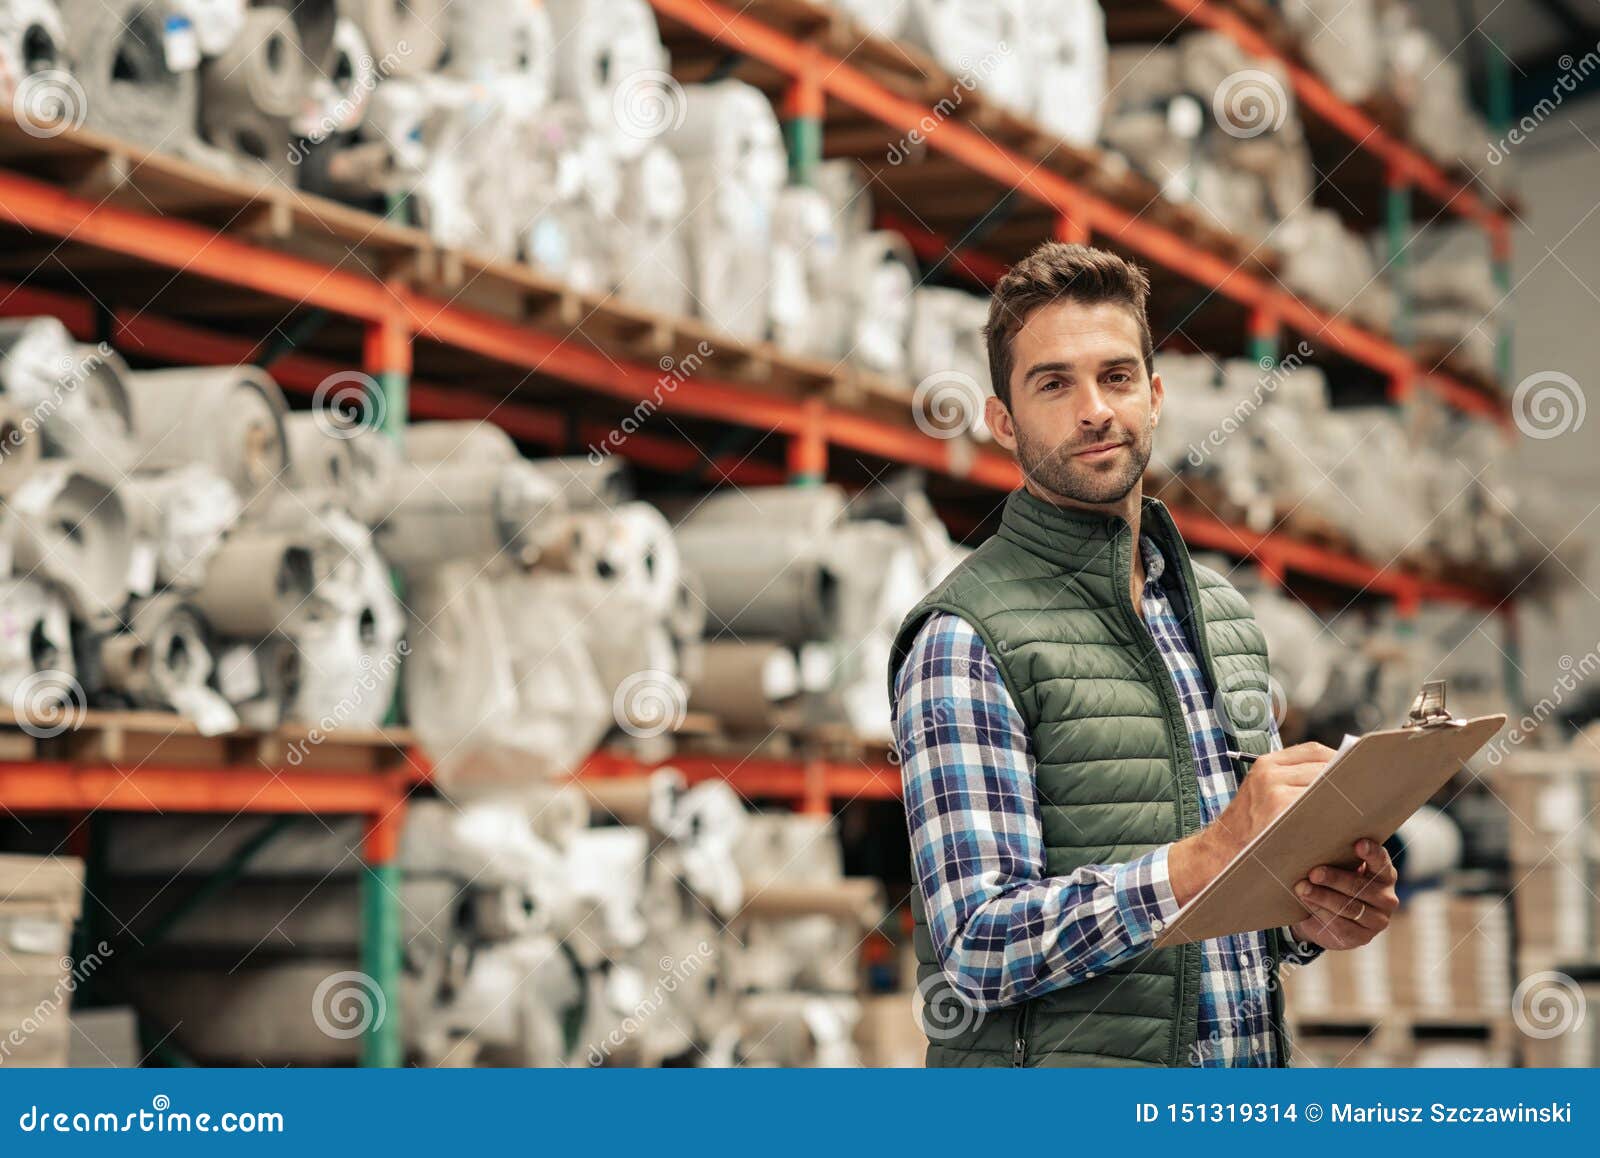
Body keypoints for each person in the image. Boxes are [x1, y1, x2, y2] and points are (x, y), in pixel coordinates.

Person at [887, 242, 1398, 1068]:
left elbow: (1239, 899)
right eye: (1054, 383)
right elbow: (978, 946)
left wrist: (1313, 917)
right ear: (1003, 421)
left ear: (1156, 398)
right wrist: (1206, 857)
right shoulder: (965, 638)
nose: (1095, 409)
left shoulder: (1225, 618)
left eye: (1117, 377)